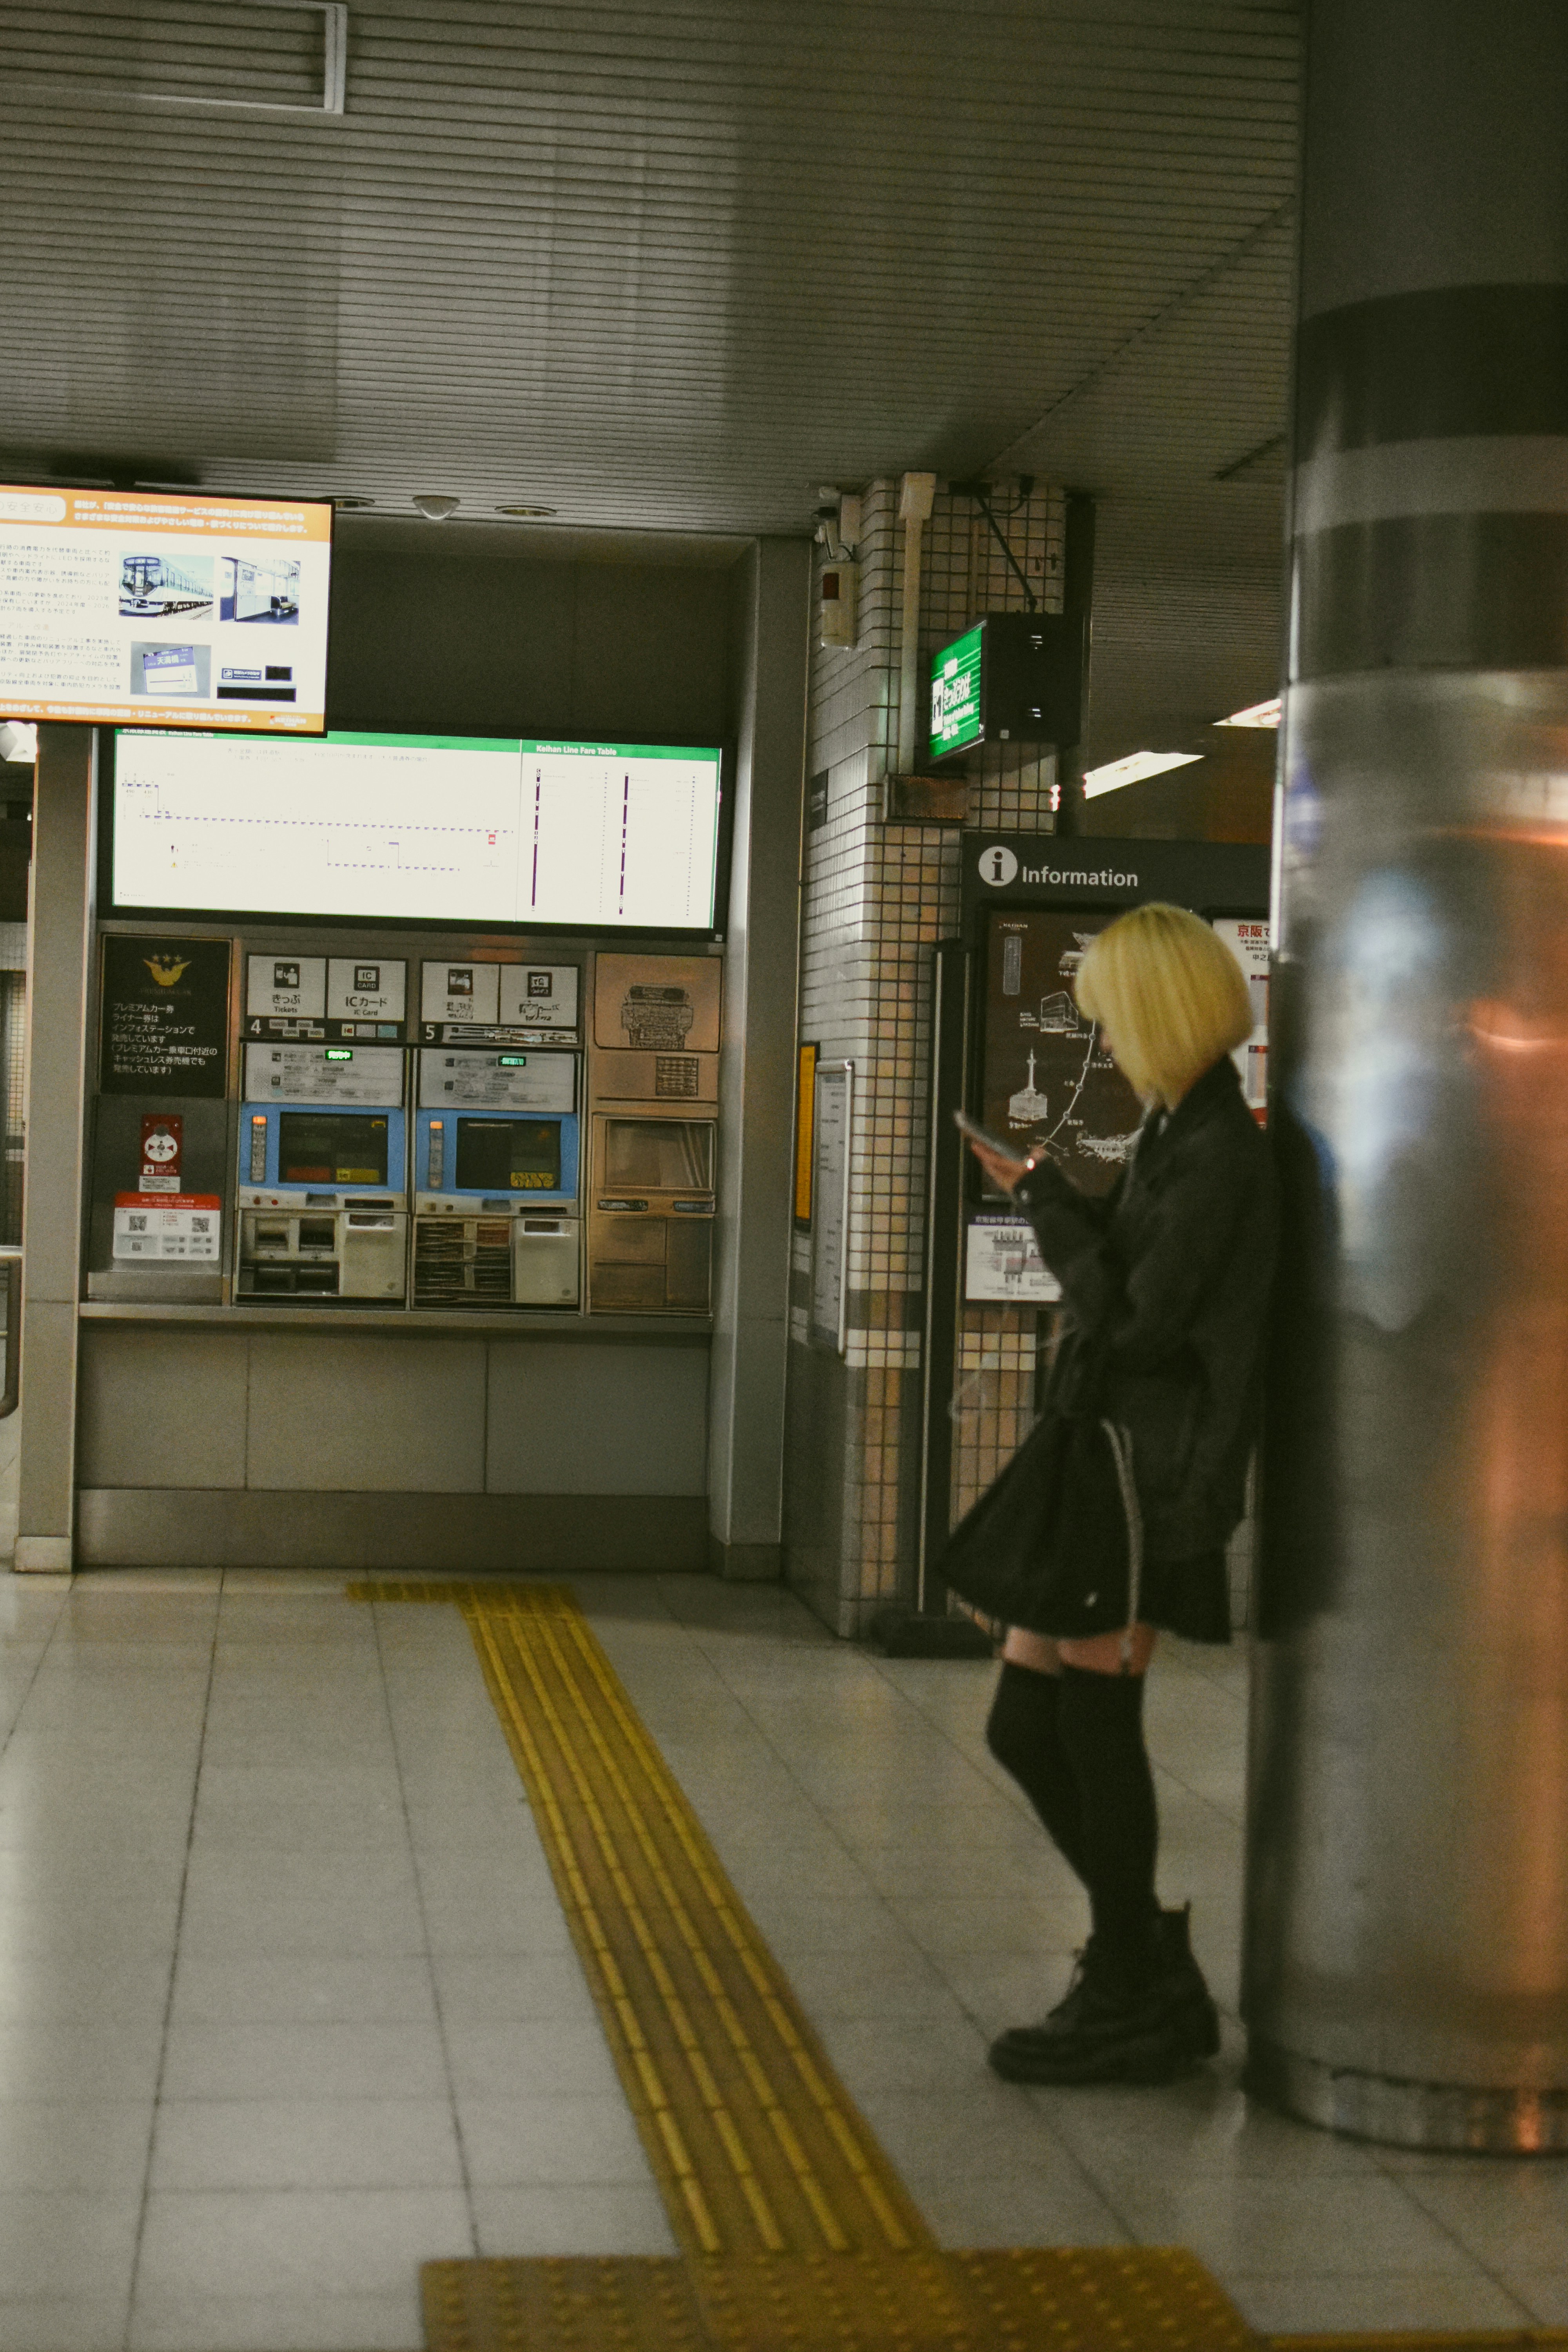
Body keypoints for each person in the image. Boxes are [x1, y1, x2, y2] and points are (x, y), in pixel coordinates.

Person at [965, 901, 1277, 2086]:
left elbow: (1141, 1323)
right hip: (1106, 1463)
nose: (1102, 1039)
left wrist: (1046, 1210)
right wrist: (1052, 1188)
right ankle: (1143, 1961)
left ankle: (1134, 1986)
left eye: (1111, 1017)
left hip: (1149, 1482)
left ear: (1158, 1014)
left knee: (1093, 1723)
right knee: (1022, 1723)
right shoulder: (1173, 1136)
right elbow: (1141, 1278)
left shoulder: (1220, 1156)